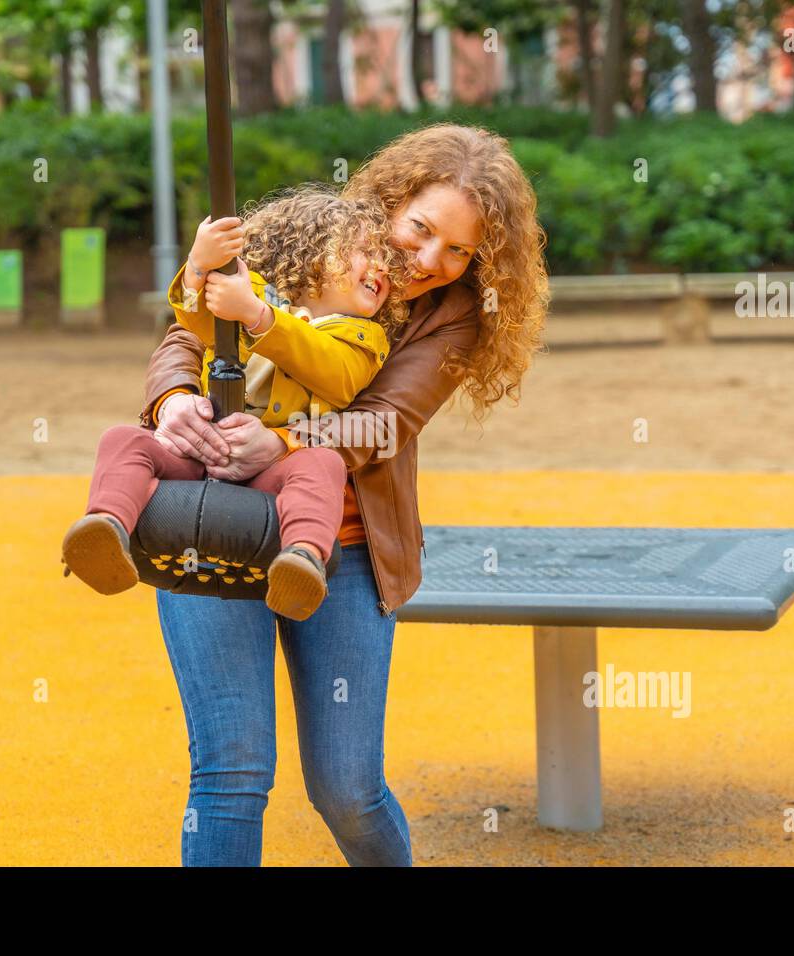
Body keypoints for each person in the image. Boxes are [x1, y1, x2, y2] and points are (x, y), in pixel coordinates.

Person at [141, 124, 549, 866]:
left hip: (345, 550)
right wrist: (171, 398)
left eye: (460, 251)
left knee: (346, 787)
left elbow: (386, 423)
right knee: (230, 775)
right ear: (389, 200)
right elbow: (193, 328)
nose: (431, 262)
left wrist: (288, 443)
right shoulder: (317, 238)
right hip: (215, 521)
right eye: (421, 230)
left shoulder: (450, 311)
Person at [62, 186, 405, 621]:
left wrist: (259, 318)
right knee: (123, 440)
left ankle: (302, 560)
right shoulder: (255, 291)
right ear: (310, 254)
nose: (380, 268)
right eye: (361, 252)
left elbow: (336, 375)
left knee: (322, 466)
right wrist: (200, 267)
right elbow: (197, 318)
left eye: (386, 262)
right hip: (202, 452)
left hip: (272, 473)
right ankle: (107, 528)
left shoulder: (362, 336)